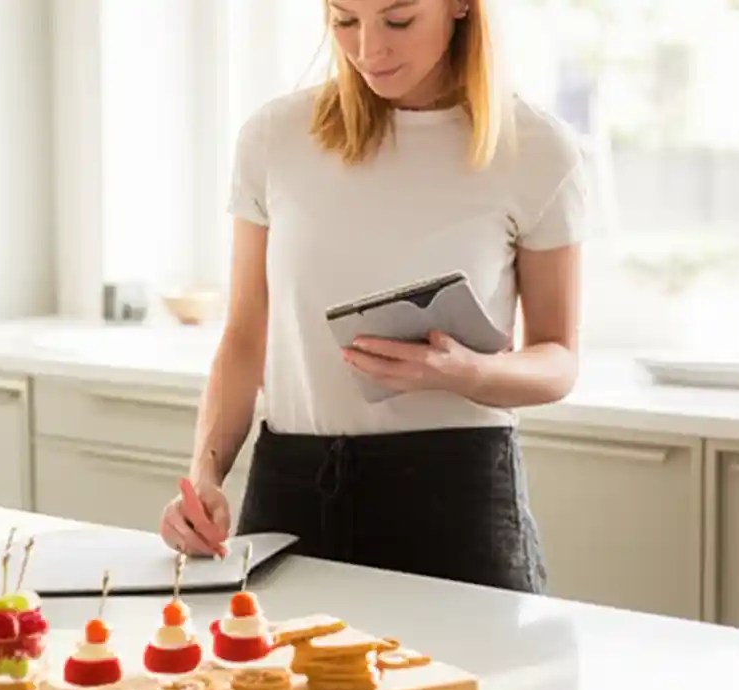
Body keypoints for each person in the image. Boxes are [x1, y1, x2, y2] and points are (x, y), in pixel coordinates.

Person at [158, 0, 586, 594]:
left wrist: (465, 372)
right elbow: (245, 337)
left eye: (399, 20)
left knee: (470, 687)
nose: (368, 50)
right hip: (292, 489)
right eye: (344, 20)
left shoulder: (536, 149)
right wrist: (204, 475)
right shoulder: (275, 138)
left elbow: (558, 358)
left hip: (456, 497)